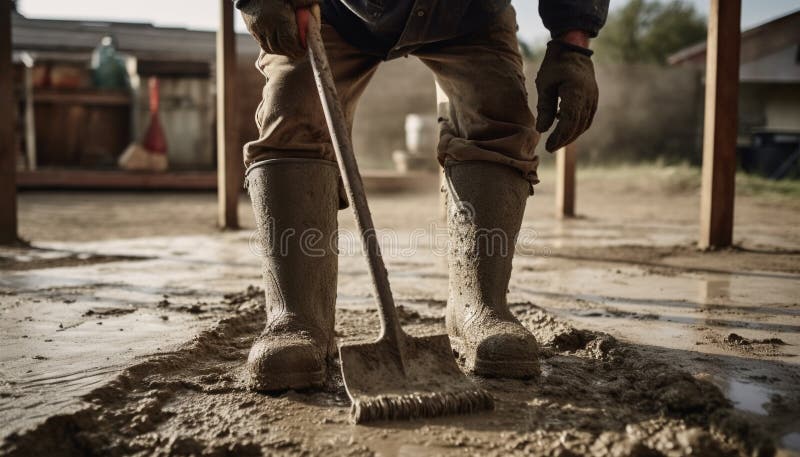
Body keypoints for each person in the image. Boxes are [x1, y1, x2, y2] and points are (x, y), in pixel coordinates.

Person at [236, 0, 609, 391]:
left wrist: (573, 40)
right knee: (291, 111)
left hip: (466, 13)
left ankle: (478, 306)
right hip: (331, 10)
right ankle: (297, 317)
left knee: (499, 116)